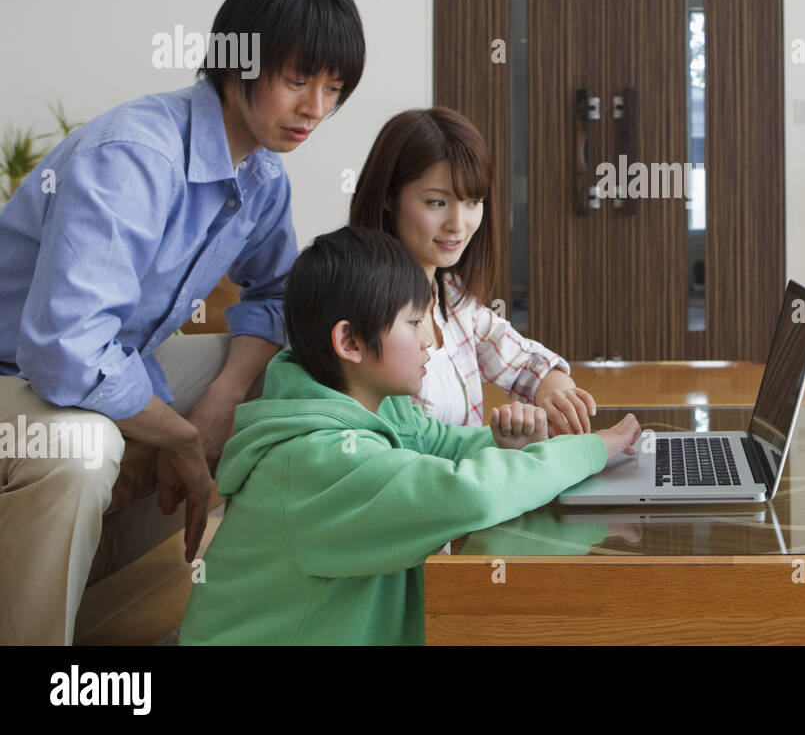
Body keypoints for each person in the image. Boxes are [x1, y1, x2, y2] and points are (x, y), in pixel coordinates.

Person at [0, 0, 365, 644]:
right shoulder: (134, 155)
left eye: (334, 88)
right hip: (15, 371)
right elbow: (63, 352)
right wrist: (181, 436)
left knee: (290, 370)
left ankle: (249, 616)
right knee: (79, 448)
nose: (316, 107)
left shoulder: (260, 176)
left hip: (106, 358)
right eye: (297, 80)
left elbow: (279, 291)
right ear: (236, 64)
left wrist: (223, 396)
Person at [179, 226, 640, 645]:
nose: (431, 341)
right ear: (351, 343)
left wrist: (510, 443)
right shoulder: (315, 461)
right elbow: (465, 494)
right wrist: (592, 448)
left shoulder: (384, 408)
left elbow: (447, 447)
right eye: (415, 323)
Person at [349, 107, 597, 434]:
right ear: (388, 198)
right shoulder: (361, 310)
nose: (458, 225)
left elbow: (528, 363)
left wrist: (558, 395)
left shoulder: (451, 298)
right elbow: (408, 453)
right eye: (437, 202)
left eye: (473, 202)